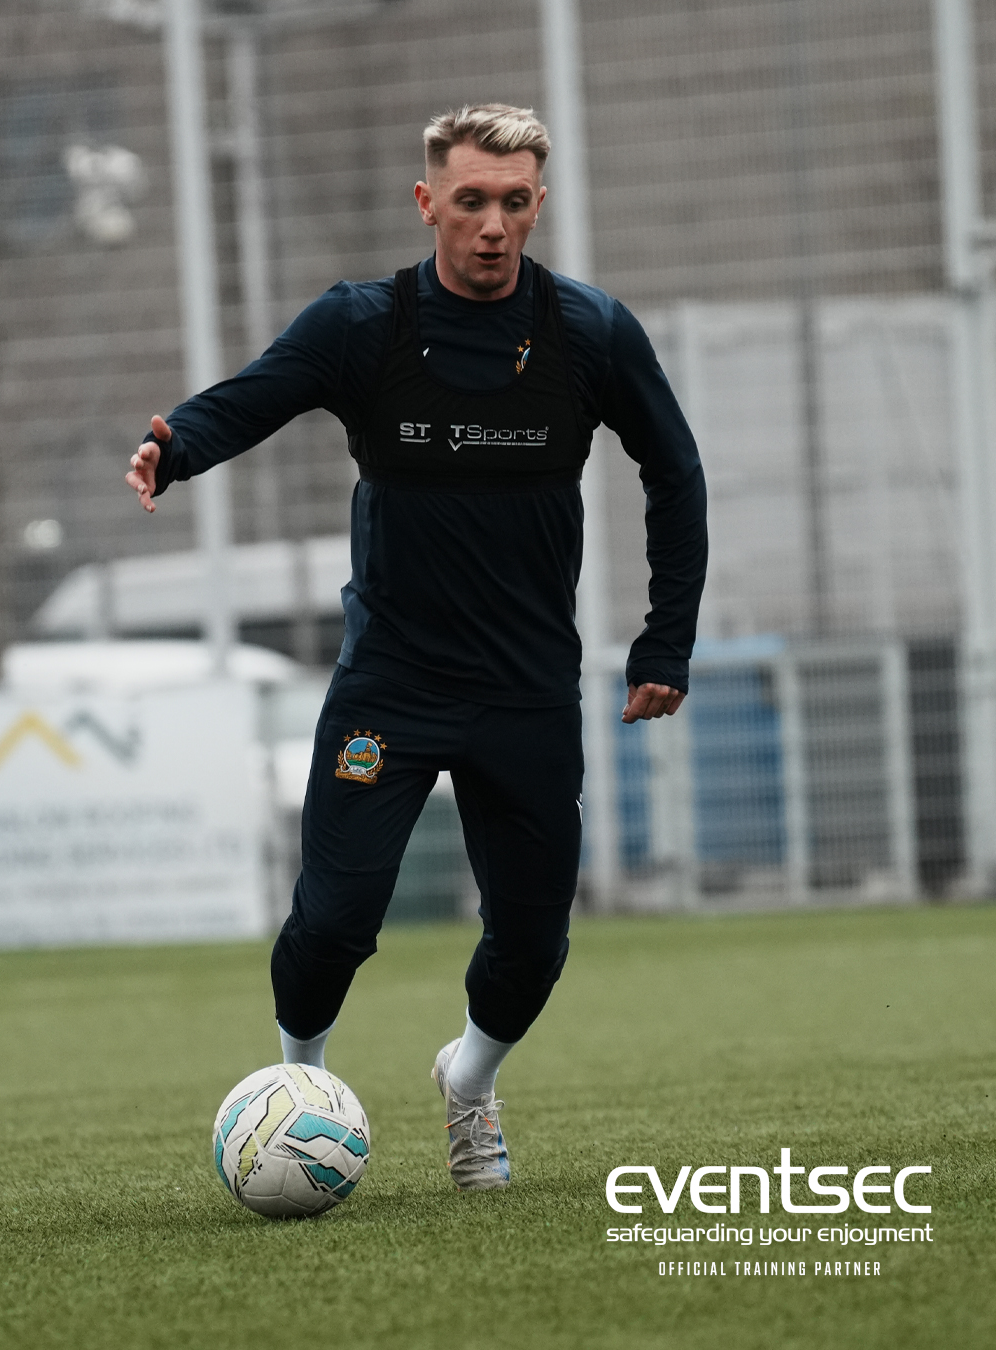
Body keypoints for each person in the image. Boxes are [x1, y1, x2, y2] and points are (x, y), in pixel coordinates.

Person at [126, 104, 706, 1191]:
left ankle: (470, 1084)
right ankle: (299, 1097)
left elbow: (674, 473)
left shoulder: (590, 333)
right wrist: (175, 444)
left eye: (515, 201)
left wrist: (662, 641)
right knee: (333, 920)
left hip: (526, 692)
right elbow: (258, 395)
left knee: (533, 941)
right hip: (389, 686)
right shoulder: (364, 326)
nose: (493, 224)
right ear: (428, 200)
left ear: (540, 203)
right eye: (472, 199)